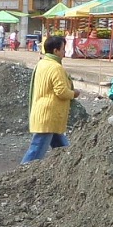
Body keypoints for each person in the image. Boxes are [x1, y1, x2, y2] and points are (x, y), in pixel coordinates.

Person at [21, 35, 78, 163]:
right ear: (55, 51)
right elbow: (61, 92)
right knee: (35, 151)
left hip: (45, 115)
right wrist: (74, 93)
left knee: (63, 149)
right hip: (49, 116)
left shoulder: (42, 63)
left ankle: (68, 168)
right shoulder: (56, 67)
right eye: (63, 49)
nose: (64, 52)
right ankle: (21, 173)